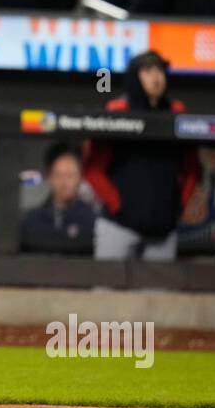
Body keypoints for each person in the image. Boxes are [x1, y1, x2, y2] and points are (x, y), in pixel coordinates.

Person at [83, 50, 200, 262]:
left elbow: (192, 169)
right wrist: (118, 205)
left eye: (160, 71)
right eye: (147, 71)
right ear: (135, 76)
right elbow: (93, 168)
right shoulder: (117, 111)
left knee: (158, 295)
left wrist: (176, 207)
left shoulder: (177, 113)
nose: (156, 77)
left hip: (162, 231)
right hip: (118, 226)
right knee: (108, 292)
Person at [20, 143, 96, 255]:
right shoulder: (32, 220)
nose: (64, 183)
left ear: (80, 177)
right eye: (59, 175)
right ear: (50, 177)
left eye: (70, 175)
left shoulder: (92, 220)